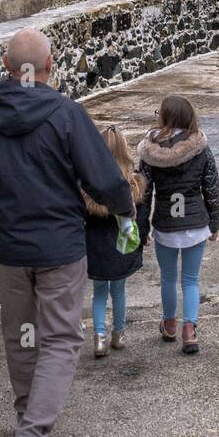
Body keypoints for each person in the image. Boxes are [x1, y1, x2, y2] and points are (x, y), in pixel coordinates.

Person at [0, 28, 133, 437]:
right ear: (50, 67)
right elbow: (103, 177)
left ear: (4, 67)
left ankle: (27, 421)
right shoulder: (66, 114)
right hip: (59, 247)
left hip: (8, 250)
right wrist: (125, 211)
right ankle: (33, 432)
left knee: (21, 336)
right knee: (62, 337)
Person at [137, 96, 219, 355]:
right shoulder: (201, 148)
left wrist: (142, 229)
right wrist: (215, 221)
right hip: (195, 222)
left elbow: (144, 193)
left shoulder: (150, 152)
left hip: (165, 223)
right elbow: (211, 187)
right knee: (191, 280)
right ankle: (190, 330)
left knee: (168, 278)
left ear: (163, 116)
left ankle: (170, 325)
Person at [84, 124, 151, 356]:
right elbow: (141, 220)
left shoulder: (88, 186)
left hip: (95, 248)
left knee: (99, 292)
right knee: (119, 292)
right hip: (122, 248)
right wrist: (142, 239)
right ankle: (119, 334)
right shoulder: (133, 185)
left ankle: (99, 337)